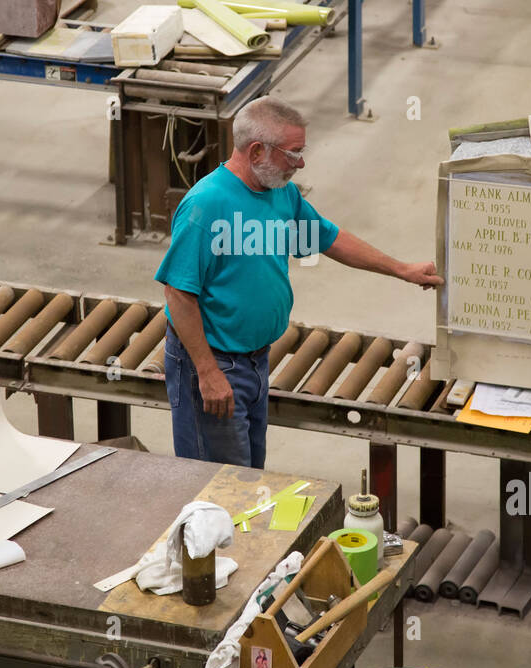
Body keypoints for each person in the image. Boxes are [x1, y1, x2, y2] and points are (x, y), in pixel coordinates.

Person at [155, 95, 443, 469]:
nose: (301, 163)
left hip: (255, 361)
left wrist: (401, 269)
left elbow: (329, 238)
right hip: (212, 364)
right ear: (257, 151)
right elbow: (178, 293)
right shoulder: (206, 205)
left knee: (248, 475)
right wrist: (208, 374)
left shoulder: (280, 195)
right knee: (221, 488)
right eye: (293, 153)